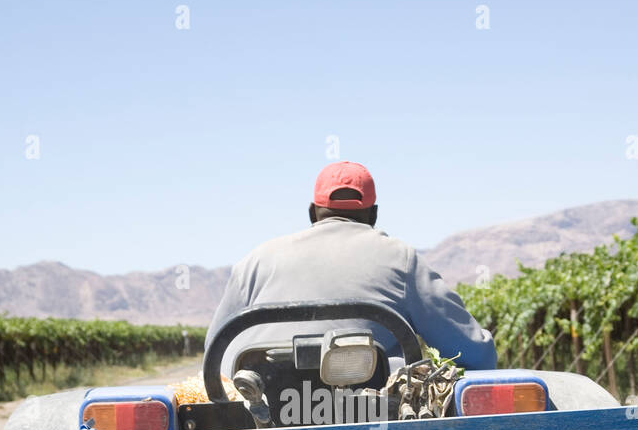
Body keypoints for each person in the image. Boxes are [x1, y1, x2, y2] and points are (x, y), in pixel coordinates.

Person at [205, 161, 497, 376]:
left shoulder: (254, 261)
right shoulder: (400, 258)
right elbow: (472, 353)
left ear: (311, 213)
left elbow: (213, 358)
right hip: (369, 421)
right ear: (374, 214)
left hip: (261, 414)